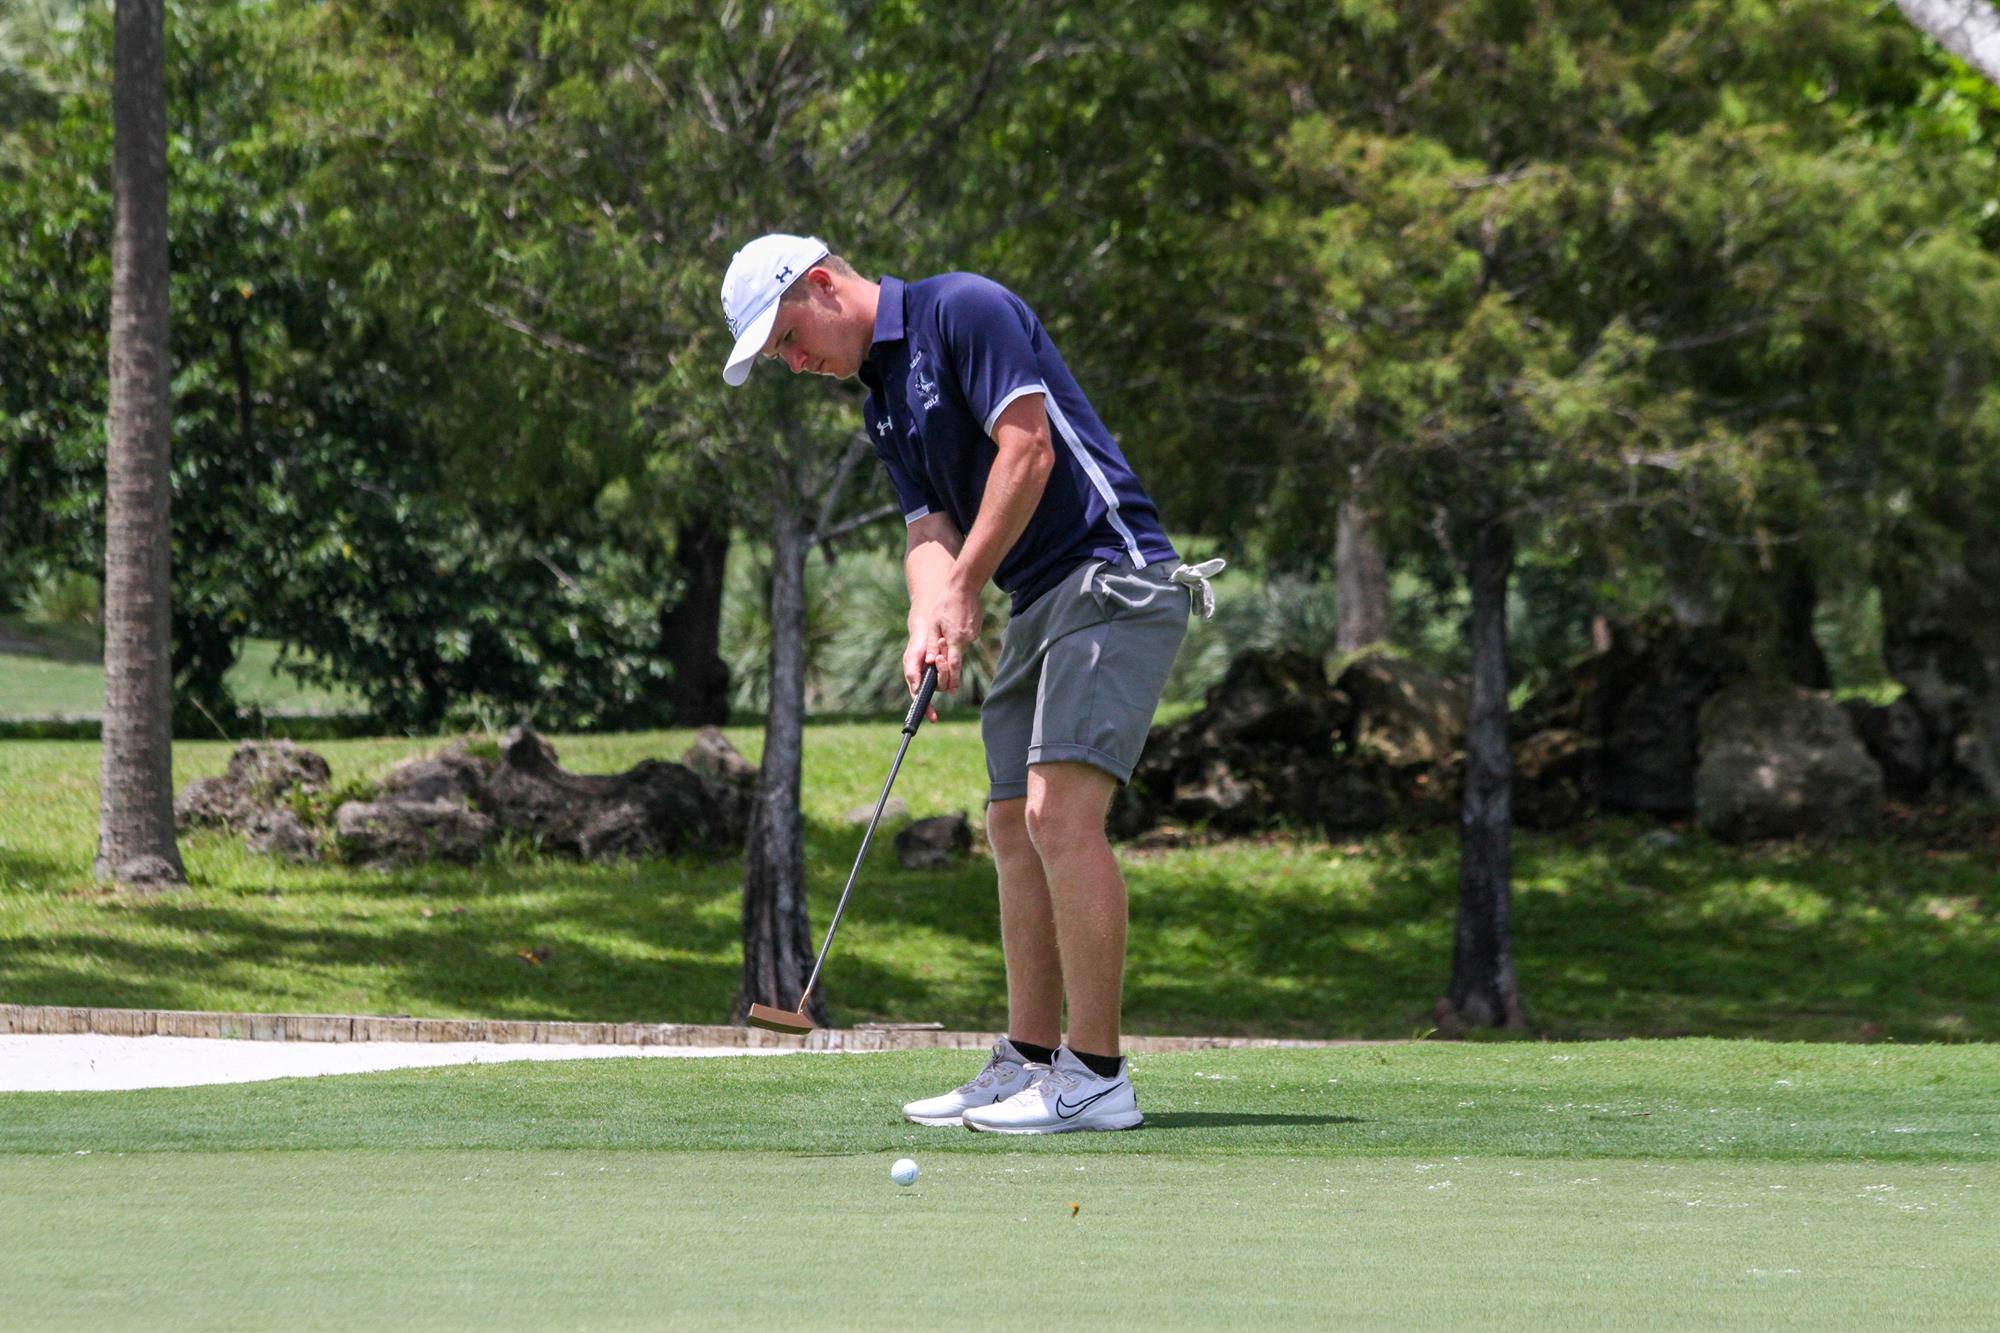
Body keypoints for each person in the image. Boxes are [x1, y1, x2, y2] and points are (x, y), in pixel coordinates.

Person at [720, 233, 1221, 1133]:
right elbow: (928, 530)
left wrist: (963, 587)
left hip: (1113, 575)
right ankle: (1029, 1059)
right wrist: (928, 616)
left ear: (823, 285)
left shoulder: (961, 308)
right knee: (1009, 822)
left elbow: (1027, 452)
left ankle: (1097, 1075)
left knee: (1058, 815)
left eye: (788, 338)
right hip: (1039, 595)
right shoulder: (880, 402)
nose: (793, 363)